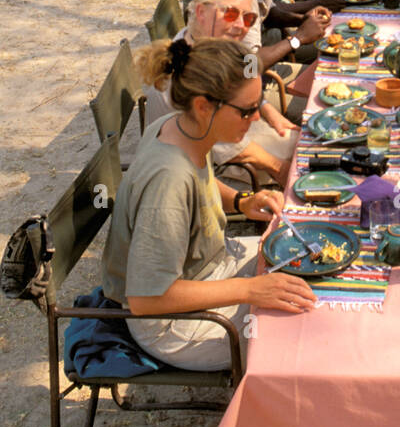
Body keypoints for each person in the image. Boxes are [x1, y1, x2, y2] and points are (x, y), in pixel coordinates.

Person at [102, 37, 316, 372]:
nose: (256, 118)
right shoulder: (168, 181)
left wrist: (242, 200)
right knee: (299, 330)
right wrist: (249, 290)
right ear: (204, 106)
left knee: (307, 264)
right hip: (171, 323)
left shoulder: (176, 128)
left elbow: (200, 182)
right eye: (247, 111)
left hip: (212, 267)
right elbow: (146, 299)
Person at [141, 0, 322, 185]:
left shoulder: (214, 46)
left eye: (248, 19)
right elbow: (229, 148)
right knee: (313, 161)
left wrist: (272, 114)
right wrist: (280, 168)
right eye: (230, 14)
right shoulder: (189, 72)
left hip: (239, 134)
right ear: (200, 12)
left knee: (316, 145)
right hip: (210, 170)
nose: (240, 27)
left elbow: (246, 80)